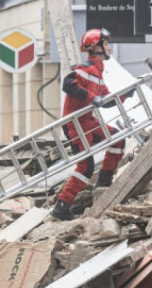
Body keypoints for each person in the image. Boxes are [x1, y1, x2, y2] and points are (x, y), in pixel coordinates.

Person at [50, 28, 134, 221]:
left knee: (118, 140)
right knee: (85, 167)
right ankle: (61, 207)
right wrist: (91, 97)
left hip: (88, 122)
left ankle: (103, 184)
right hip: (75, 125)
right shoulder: (86, 68)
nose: (109, 47)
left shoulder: (97, 72)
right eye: (105, 44)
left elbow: (105, 99)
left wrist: (125, 95)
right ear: (95, 47)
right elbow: (68, 84)